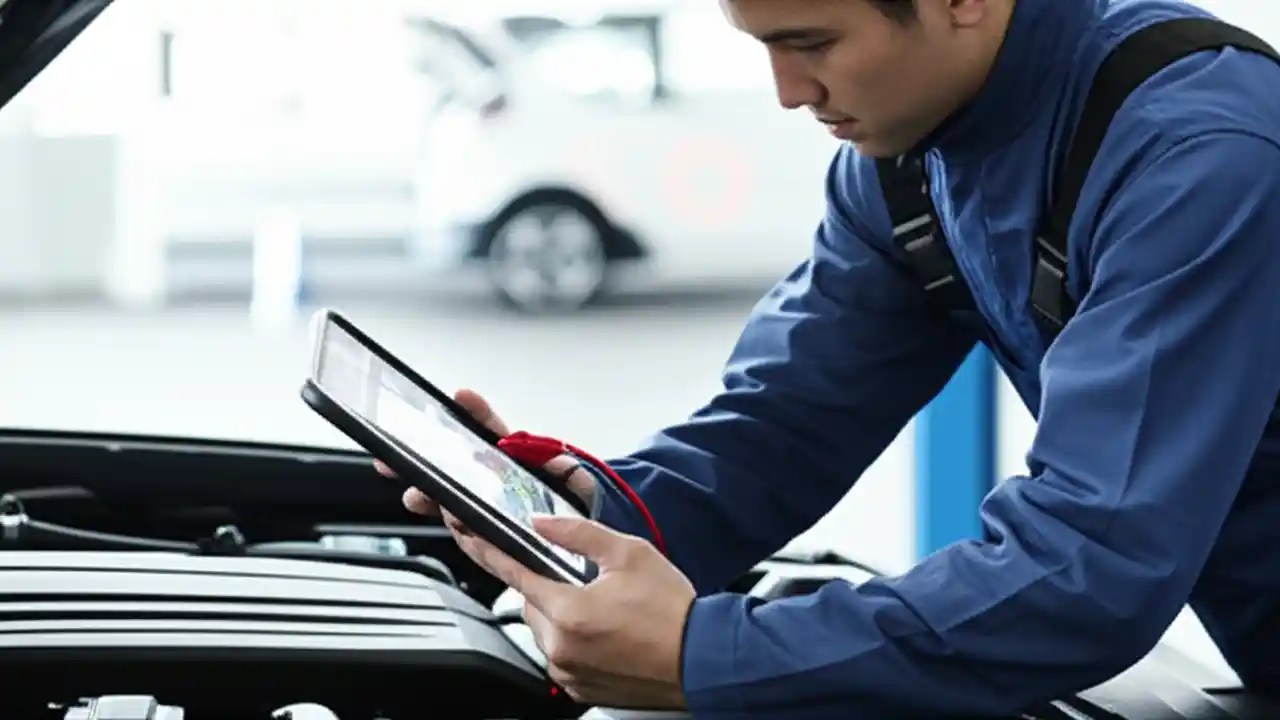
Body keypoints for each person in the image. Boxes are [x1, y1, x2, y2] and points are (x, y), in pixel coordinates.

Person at [379, 0, 1280, 715]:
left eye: (811, 41)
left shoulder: (1197, 156)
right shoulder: (906, 154)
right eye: (759, 43)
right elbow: (784, 422)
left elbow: (1092, 565)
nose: (785, 91)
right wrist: (584, 511)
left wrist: (703, 657)